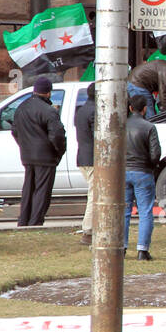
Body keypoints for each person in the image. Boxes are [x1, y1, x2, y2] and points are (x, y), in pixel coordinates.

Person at [12, 77, 67, 228]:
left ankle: (23, 221)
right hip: (45, 156)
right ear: (48, 93)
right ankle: (35, 222)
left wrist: (24, 145)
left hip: (27, 155)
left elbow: (15, 131)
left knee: (28, 189)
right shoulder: (49, 111)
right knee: (42, 191)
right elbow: (57, 135)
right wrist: (59, 152)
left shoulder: (22, 107)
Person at [122, 94, 161, 261]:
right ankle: (142, 250)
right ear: (145, 109)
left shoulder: (121, 125)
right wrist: (150, 166)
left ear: (130, 108)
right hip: (143, 172)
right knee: (145, 212)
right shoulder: (149, 127)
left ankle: (121, 248)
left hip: (123, 173)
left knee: (123, 212)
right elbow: (156, 154)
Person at [75, 89, 95, 244]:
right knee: (94, 196)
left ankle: (92, 229)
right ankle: (88, 231)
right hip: (92, 159)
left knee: (95, 194)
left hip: (83, 157)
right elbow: (100, 136)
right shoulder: (95, 111)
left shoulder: (81, 110)